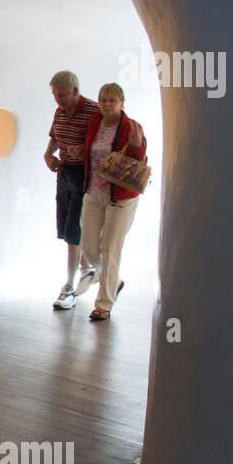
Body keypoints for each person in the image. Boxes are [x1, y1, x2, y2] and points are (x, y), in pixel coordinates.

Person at [78, 82, 146, 321]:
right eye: (103, 99)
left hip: (121, 197)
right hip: (94, 192)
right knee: (87, 246)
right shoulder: (95, 123)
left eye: (112, 100)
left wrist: (136, 143)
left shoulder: (131, 126)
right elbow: (90, 151)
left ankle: (104, 304)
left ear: (122, 103)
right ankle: (113, 280)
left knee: (111, 247)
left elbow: (138, 161)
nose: (107, 104)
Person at [44, 70, 100, 309]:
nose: (58, 99)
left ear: (76, 91)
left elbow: (104, 142)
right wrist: (49, 154)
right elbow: (55, 135)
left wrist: (84, 151)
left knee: (73, 233)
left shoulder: (93, 111)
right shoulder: (59, 111)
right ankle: (93, 272)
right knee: (66, 228)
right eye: (55, 95)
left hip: (84, 175)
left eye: (62, 95)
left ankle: (69, 287)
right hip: (65, 172)